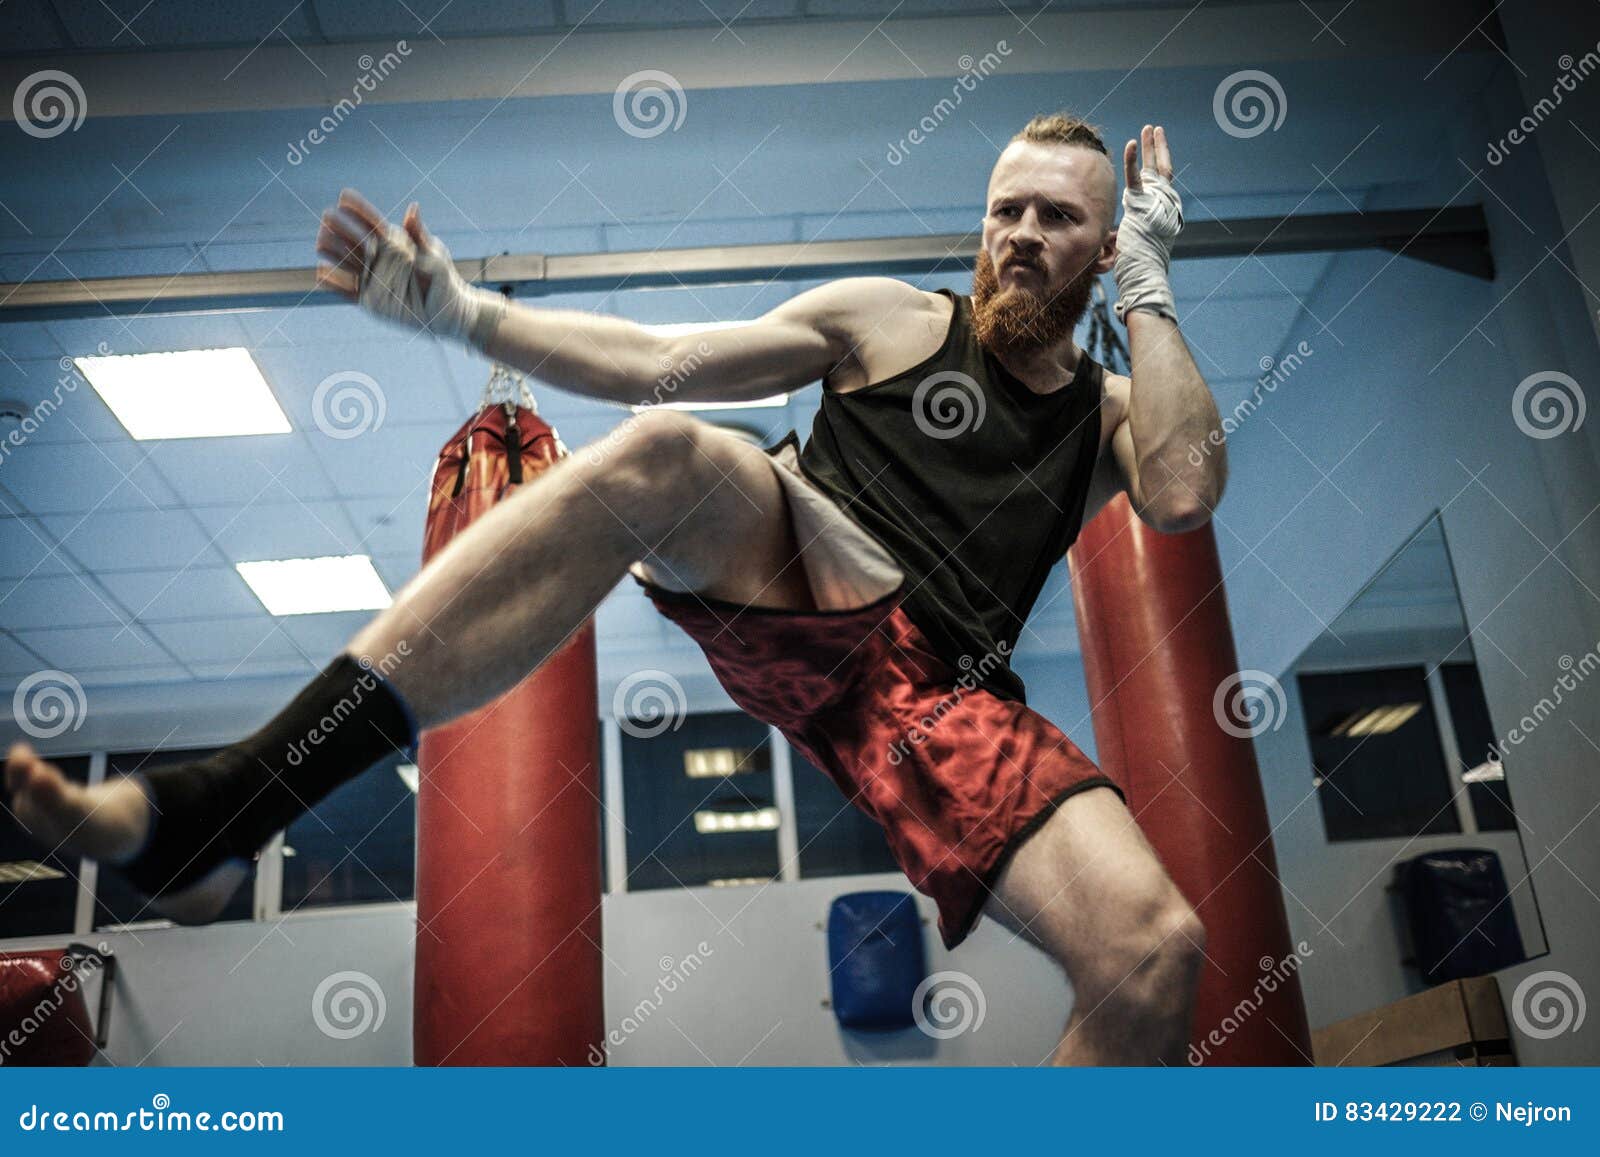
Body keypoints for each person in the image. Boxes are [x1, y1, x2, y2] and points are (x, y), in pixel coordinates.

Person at [5, 114, 1226, 1064]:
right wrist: (464, 311)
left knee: (1154, 954)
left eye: (1057, 218)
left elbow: (1180, 492)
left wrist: (1152, 283)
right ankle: (224, 806)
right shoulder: (892, 319)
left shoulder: (1111, 412)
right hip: (806, 587)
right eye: (1003, 206)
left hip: (949, 709)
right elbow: (658, 364)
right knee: (672, 448)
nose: (1019, 231)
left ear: (1103, 246)